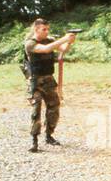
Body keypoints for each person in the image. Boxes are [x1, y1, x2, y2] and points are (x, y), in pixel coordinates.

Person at [23, 18, 76, 152]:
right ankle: (34, 140)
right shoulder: (30, 43)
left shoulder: (50, 40)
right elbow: (46, 49)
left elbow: (63, 49)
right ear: (36, 29)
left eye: (48, 29)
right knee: (36, 110)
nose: (47, 32)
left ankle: (49, 135)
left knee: (54, 108)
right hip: (35, 81)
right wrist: (64, 38)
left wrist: (69, 42)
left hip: (48, 80)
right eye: (44, 29)